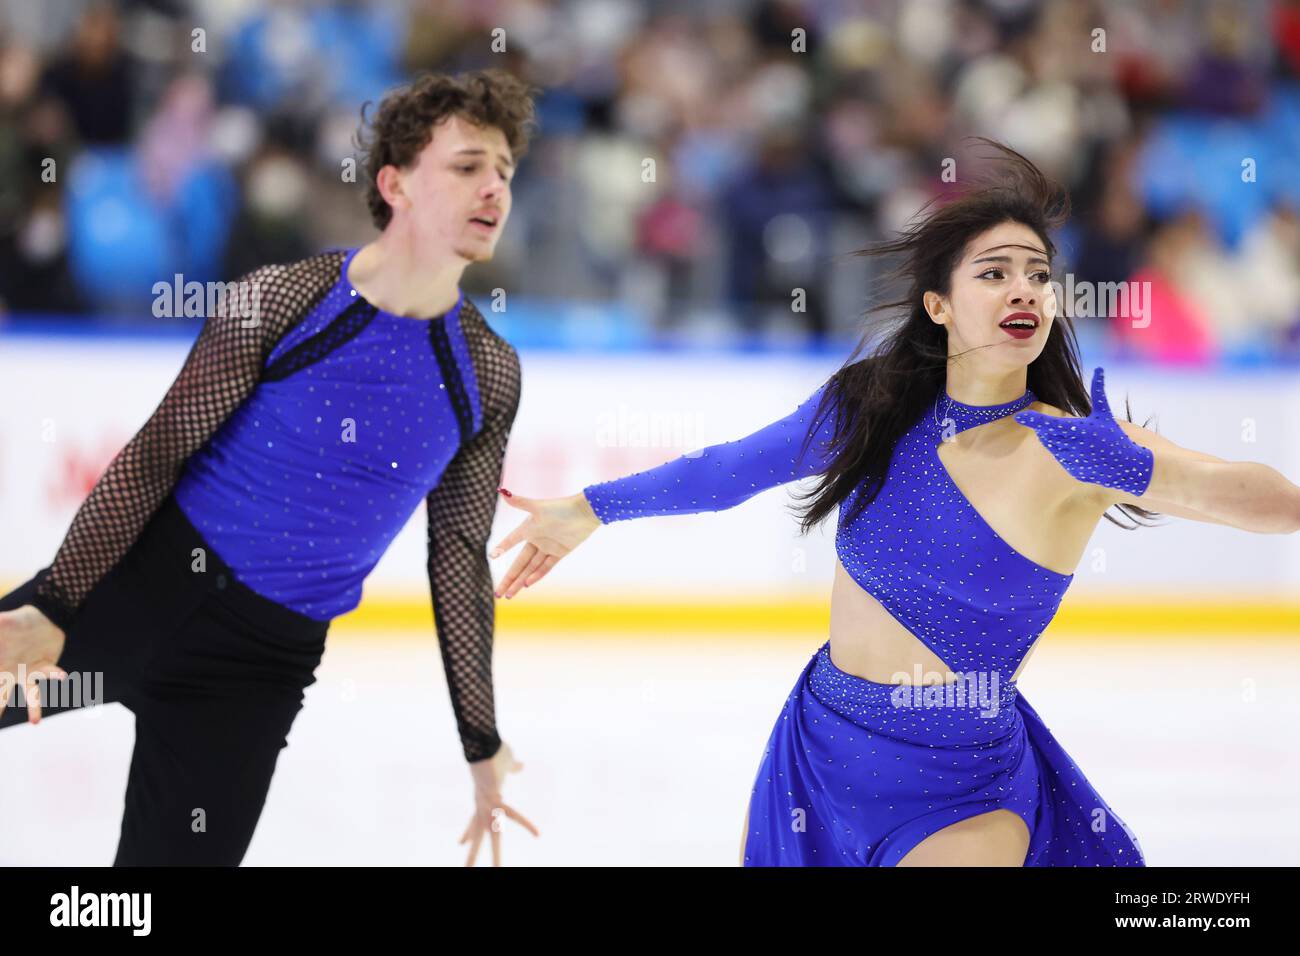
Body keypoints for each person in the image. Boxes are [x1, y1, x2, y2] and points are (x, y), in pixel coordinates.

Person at [486, 141, 1300, 866]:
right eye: (994, 273)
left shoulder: (1078, 450)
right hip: (817, 750)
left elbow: (1274, 505)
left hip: (963, 789)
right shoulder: (871, 408)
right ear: (938, 306)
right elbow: (727, 471)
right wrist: (589, 508)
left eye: (1038, 276)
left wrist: (1137, 467)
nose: (1023, 289)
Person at [0, 68, 540, 866]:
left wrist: (480, 738)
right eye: (467, 167)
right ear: (394, 183)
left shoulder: (487, 374)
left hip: (253, 674)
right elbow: (155, 456)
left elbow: (456, 557)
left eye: (503, 170)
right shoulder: (285, 300)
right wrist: (54, 606)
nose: (493, 187)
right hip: (130, 595)